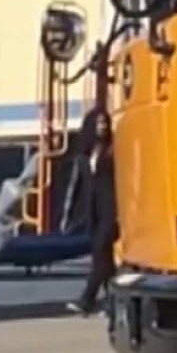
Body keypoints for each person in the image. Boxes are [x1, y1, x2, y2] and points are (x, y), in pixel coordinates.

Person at [70, 108, 118, 316]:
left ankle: (86, 300)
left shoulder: (114, 149)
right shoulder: (85, 154)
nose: (103, 127)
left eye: (105, 123)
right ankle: (112, 304)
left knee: (100, 252)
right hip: (93, 211)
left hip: (111, 209)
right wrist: (69, 214)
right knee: (104, 260)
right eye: (99, 123)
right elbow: (77, 186)